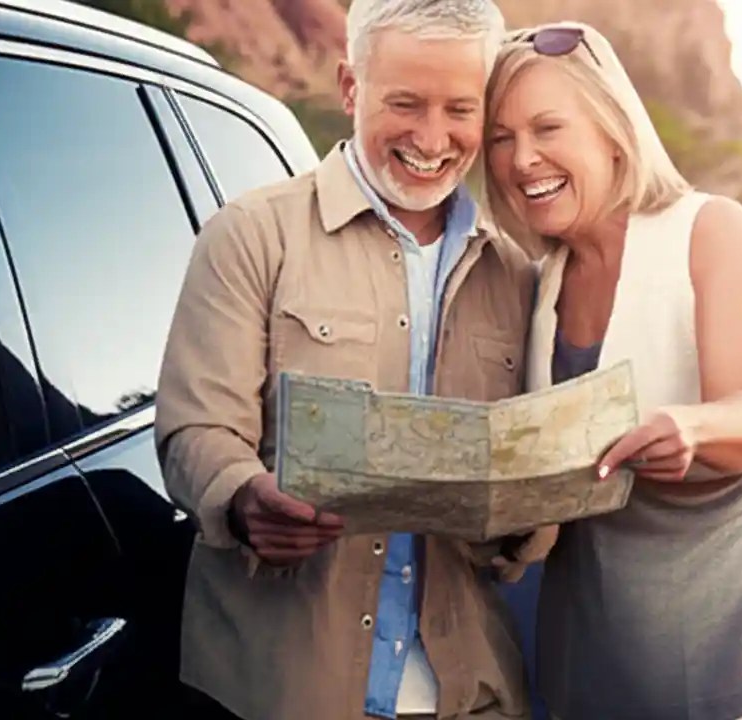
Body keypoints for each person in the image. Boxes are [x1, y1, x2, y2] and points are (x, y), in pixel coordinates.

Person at [153, 1, 560, 718]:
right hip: (280, 691)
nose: (432, 138)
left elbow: (539, 478)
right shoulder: (250, 236)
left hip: (466, 694)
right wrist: (244, 497)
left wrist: (529, 517)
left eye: (459, 109)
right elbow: (193, 431)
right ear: (350, 88)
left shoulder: (518, 276)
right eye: (404, 103)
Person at [480, 22, 742, 720]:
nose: (522, 159)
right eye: (500, 138)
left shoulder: (710, 230)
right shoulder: (537, 284)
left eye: (548, 128)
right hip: (594, 666)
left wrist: (693, 429)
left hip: (740, 661)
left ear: (612, 131)